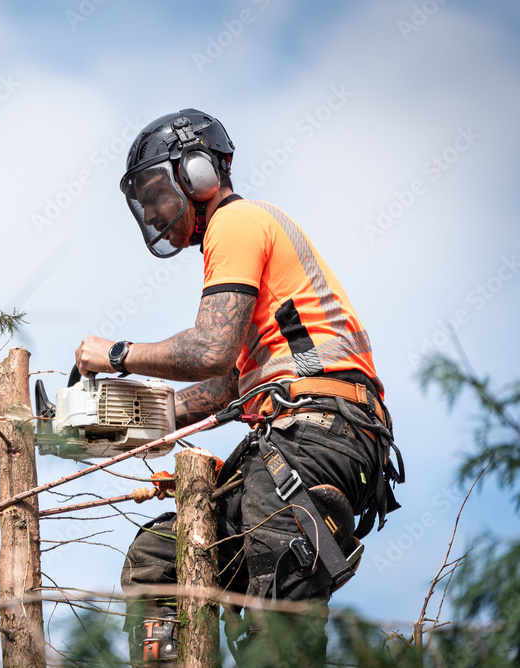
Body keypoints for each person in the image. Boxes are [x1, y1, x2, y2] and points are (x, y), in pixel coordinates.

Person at [74, 109, 403, 666]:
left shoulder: (238, 222)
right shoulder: (251, 285)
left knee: (278, 623)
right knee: (159, 559)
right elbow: (228, 383)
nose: (152, 210)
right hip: (296, 436)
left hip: (322, 434)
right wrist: (118, 420)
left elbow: (209, 349)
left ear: (199, 172)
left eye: (157, 191)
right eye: (145, 199)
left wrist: (116, 355)